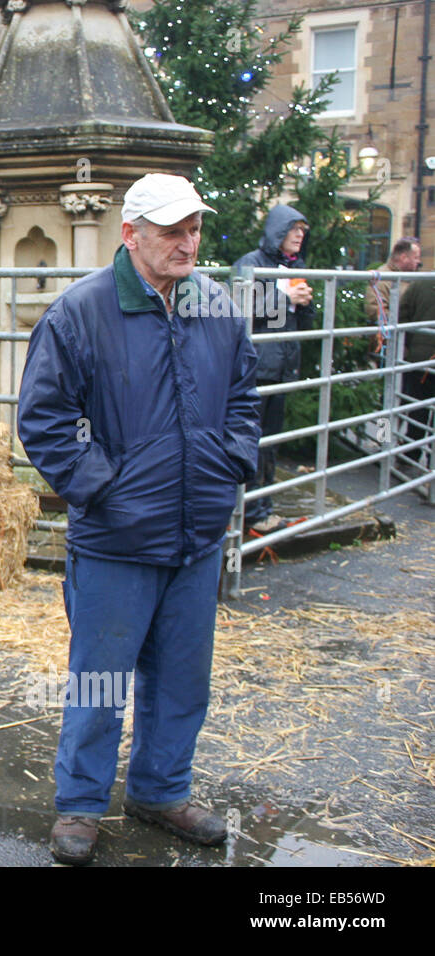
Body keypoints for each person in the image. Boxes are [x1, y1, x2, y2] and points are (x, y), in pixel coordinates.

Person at [18, 173, 260, 866]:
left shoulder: (215, 305)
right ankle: (81, 805)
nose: (188, 242)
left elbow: (244, 393)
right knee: (100, 678)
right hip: (119, 537)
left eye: (194, 228)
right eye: (171, 230)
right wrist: (105, 488)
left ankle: (161, 789)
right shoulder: (82, 312)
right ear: (132, 235)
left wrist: (231, 464)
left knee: (185, 677)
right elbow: (43, 419)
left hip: (196, 531)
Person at [232, 205, 315, 535]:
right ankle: (249, 512)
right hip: (256, 369)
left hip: (281, 369)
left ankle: (262, 508)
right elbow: (237, 309)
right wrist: (285, 299)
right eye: (294, 229)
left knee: (269, 443)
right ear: (278, 230)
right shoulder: (250, 263)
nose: (299, 235)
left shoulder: (295, 266)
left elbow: (301, 322)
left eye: (303, 231)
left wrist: (305, 302)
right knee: (250, 442)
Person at [396, 276, 435, 474]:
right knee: (391, 403)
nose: (417, 261)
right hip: (402, 355)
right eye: (414, 257)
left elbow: (401, 315)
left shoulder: (417, 283)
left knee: (406, 405)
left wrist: (408, 345)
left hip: (410, 356)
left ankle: (400, 451)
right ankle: (381, 444)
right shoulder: (390, 279)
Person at [365, 237, 421, 326]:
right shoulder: (381, 278)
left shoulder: (412, 277)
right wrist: (404, 321)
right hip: (393, 334)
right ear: (404, 257)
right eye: (416, 257)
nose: (419, 261)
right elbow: (374, 311)